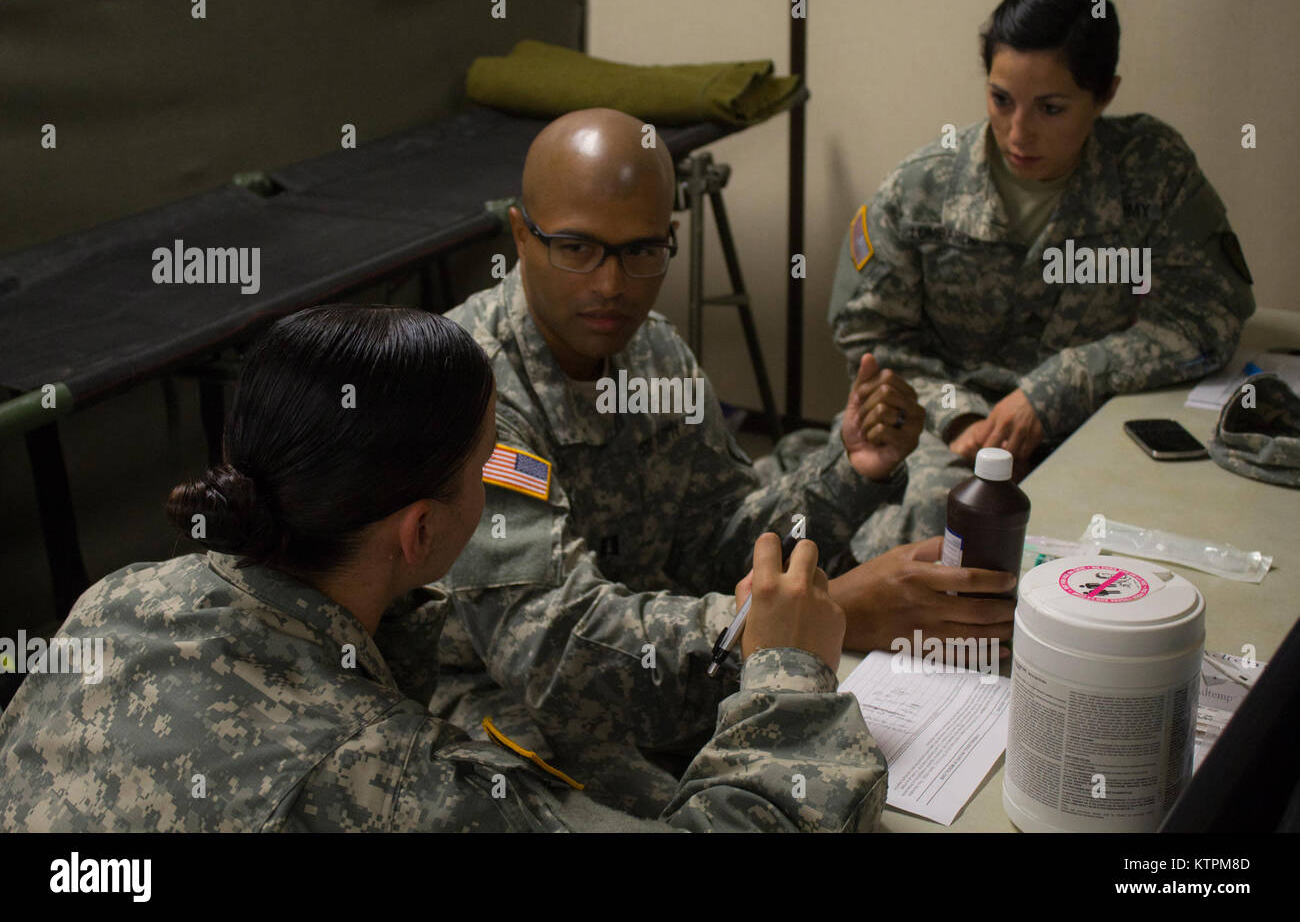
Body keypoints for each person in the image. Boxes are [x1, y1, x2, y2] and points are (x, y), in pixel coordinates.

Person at [0, 305, 886, 832]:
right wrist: (788, 680)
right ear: (421, 532)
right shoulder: (380, 773)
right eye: (489, 461)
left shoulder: (122, 599)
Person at [433, 107, 1016, 817]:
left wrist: (849, 473)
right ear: (522, 234)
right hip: (519, 702)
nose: (612, 285)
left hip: (675, 659)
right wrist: (821, 620)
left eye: (641, 250)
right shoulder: (468, 383)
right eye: (578, 248)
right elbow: (552, 652)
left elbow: (722, 536)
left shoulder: (654, 352)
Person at [828, 0, 1256, 563]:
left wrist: (1060, 385)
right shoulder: (921, 189)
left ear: (1105, 94)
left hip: (1091, 420)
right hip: (939, 426)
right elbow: (871, 340)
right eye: (1001, 100)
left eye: (1051, 108)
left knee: (1154, 539)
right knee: (937, 533)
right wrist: (959, 418)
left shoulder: (1151, 173)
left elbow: (1206, 314)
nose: (1018, 132)